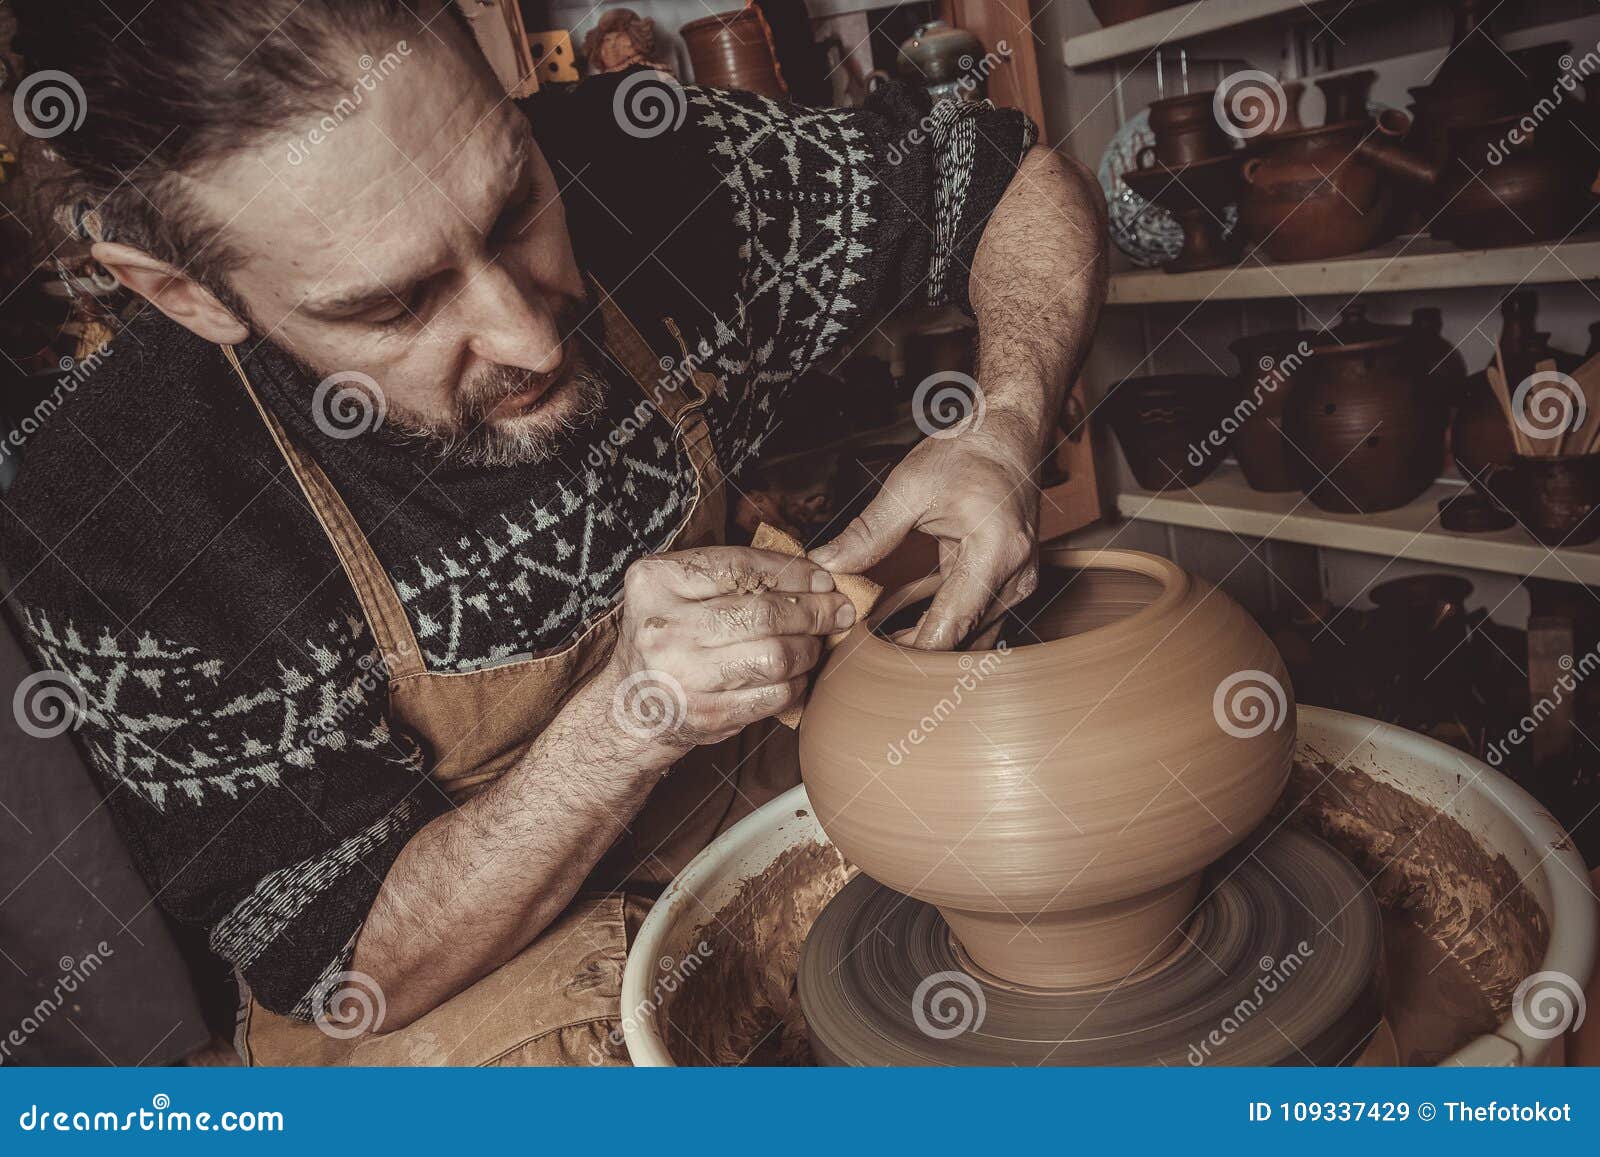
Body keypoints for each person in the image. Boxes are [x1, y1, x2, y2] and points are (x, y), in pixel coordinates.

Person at [1, 0, 1107, 1064]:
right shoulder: (115, 506)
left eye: (513, 209)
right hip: (459, 976)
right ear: (184, 293)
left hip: (757, 791)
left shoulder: (636, 158)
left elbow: (1003, 176)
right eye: (396, 305)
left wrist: (1005, 423)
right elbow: (350, 963)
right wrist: (627, 719)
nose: (526, 334)